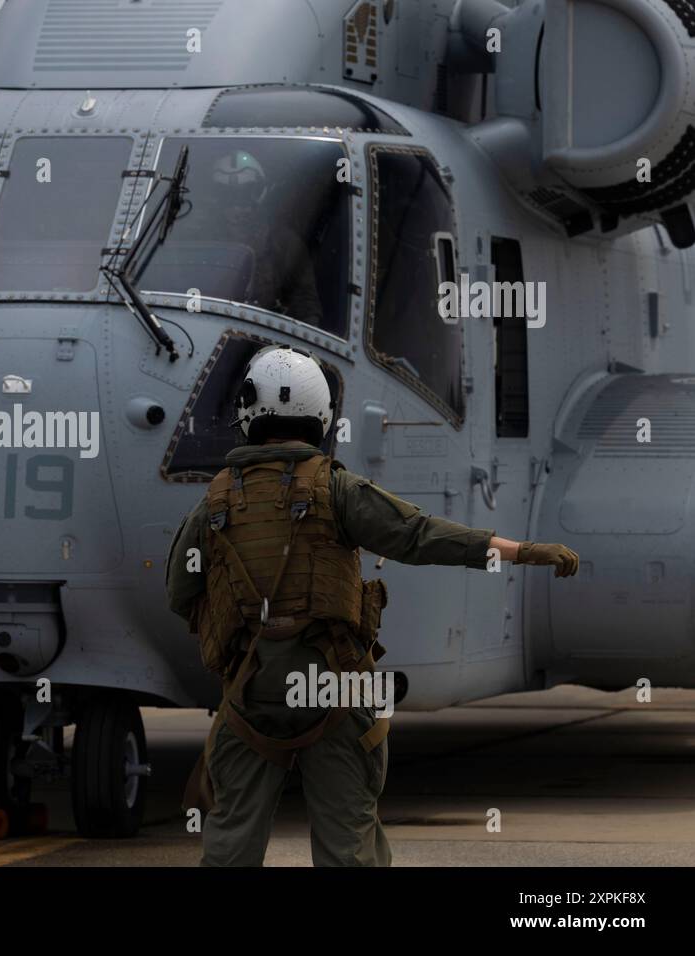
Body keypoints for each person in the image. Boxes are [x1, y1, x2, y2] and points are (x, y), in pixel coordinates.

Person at [165, 345, 579, 866]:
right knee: (348, 844)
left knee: (230, 844)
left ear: (248, 414)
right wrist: (521, 552)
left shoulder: (215, 503)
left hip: (251, 695)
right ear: (320, 418)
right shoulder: (337, 490)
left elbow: (182, 594)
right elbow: (420, 536)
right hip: (334, 688)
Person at [201, 149, 325, 326]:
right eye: (229, 198)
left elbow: (306, 306)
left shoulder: (283, 243)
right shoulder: (205, 243)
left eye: (245, 197)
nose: (237, 209)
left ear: (258, 196)